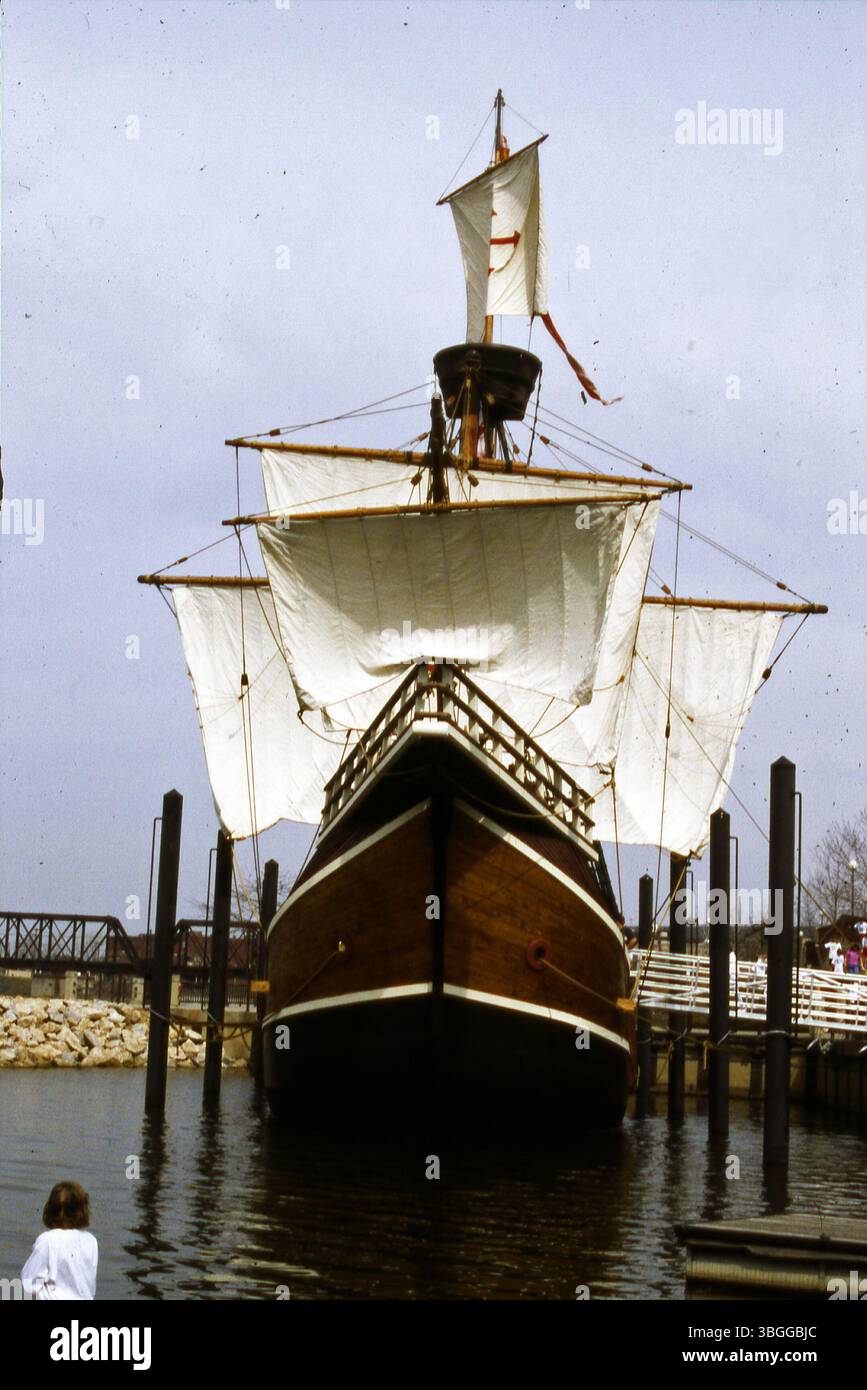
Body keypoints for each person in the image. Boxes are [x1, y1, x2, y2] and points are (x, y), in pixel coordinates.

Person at [21, 1181, 97, 1301]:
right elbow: (89, 1284)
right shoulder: (91, 1241)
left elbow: (29, 1285)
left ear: (50, 1209)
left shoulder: (47, 1240)